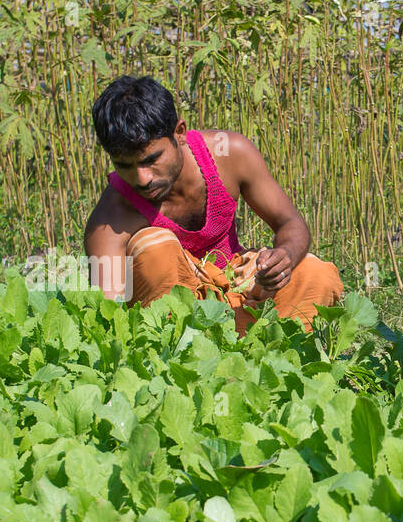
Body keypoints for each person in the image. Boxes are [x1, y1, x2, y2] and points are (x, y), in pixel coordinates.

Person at [82, 75, 343, 336]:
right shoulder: (110, 218)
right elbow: (109, 315)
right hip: (179, 327)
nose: (142, 178)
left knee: (314, 273)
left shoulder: (230, 154)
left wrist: (284, 256)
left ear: (179, 133)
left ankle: (276, 355)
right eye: (124, 166)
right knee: (154, 248)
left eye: (152, 159)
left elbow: (290, 223)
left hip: (239, 294)